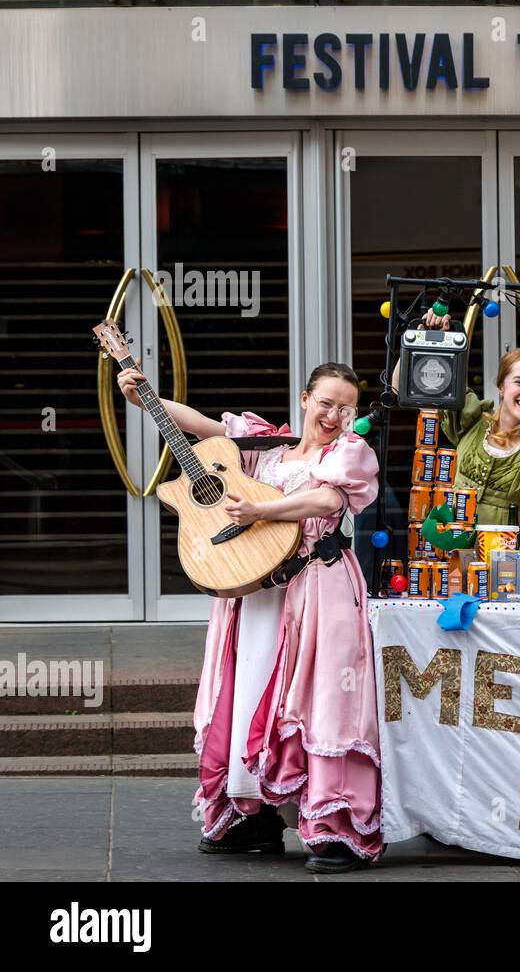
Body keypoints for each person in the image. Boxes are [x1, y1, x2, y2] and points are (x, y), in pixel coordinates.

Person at [116, 361, 382, 873]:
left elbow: (328, 499)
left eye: (345, 408)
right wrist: (145, 399)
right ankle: (251, 815)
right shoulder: (268, 446)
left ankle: (334, 825)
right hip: (255, 585)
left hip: (316, 586)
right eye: (325, 402)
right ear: (304, 399)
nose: (333, 414)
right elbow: (202, 427)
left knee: (319, 699)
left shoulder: (348, 453)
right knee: (247, 692)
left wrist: (263, 511)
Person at [419, 312, 520, 560]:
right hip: (449, 551)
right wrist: (427, 338)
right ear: (502, 386)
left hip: (506, 562)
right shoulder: (473, 419)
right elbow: (411, 387)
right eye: (519, 382)